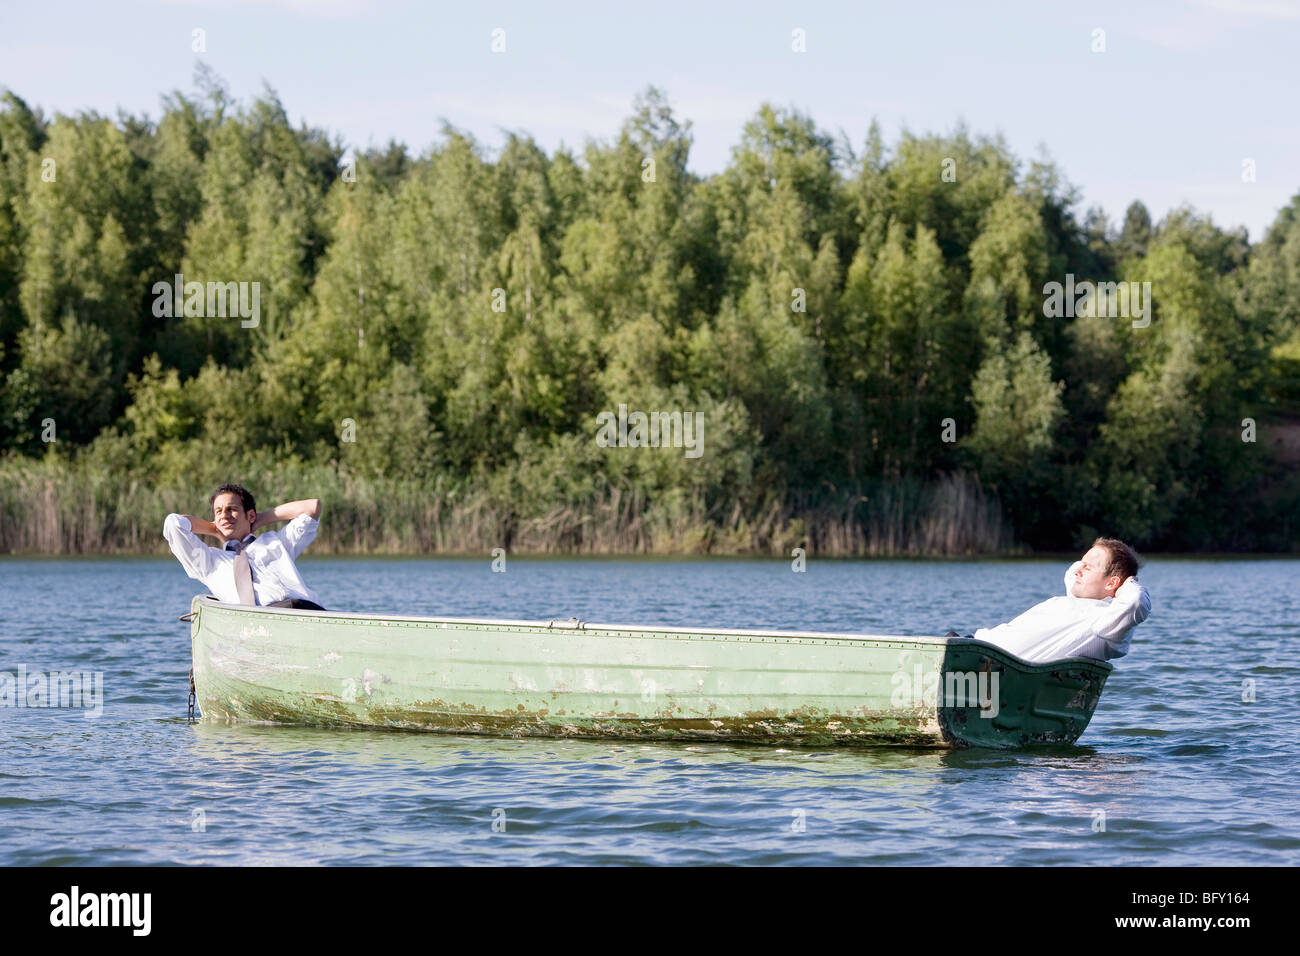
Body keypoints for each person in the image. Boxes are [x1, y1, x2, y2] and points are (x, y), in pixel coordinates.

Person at [949, 538, 1150, 663]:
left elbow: (1135, 601)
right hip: (974, 647)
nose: (1079, 569)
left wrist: (1127, 580)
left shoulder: (1104, 621)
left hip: (985, 666)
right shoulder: (1078, 600)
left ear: (1112, 583)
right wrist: (1092, 561)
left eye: (1088, 567)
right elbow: (1072, 571)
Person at [163, 483, 326, 610]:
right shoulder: (208, 561)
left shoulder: (276, 542)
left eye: (232, 509)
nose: (224, 515)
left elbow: (312, 508)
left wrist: (260, 519)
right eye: (218, 511)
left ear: (250, 515)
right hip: (262, 620)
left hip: (309, 610)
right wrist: (214, 528)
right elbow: (173, 524)